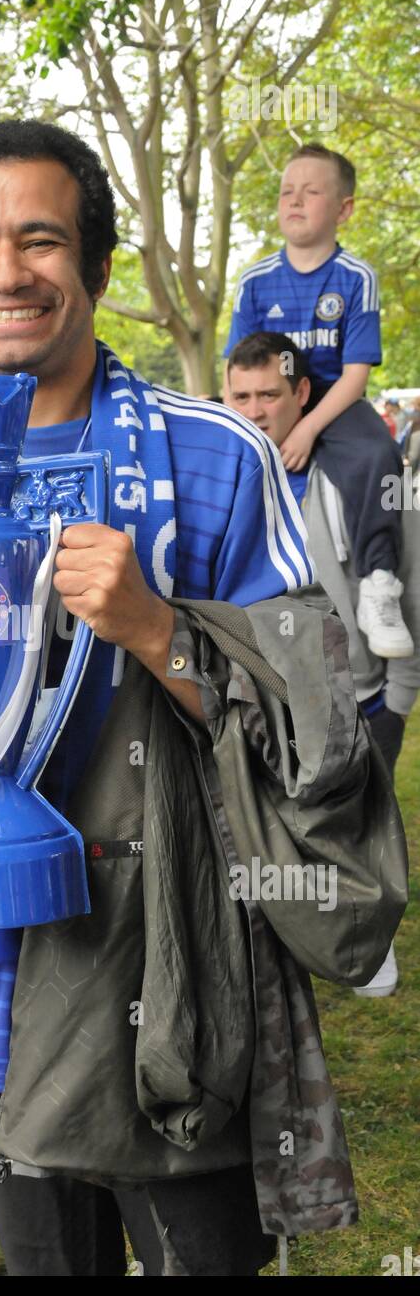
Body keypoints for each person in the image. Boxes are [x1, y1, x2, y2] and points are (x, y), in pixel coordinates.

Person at [0, 119, 332, 1277]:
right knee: (48, 1260)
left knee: (203, 1259)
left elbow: (311, 726)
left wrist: (152, 627)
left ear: (95, 265)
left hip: (173, 956)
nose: (6, 273)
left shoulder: (210, 458)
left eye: (39, 241)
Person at [224, 330, 420, 998]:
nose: (253, 410)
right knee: (270, 836)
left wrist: (396, 701)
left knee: (357, 828)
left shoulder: (357, 472)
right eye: (239, 395)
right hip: (262, 702)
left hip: (359, 699)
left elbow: (409, 587)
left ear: (301, 394)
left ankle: (365, 942)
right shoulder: (224, 483)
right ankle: (282, 948)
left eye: (268, 396)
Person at [224, 142, 412, 659]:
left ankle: (378, 581)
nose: (295, 201)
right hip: (277, 400)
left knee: (378, 456)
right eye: (287, 191)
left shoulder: (356, 278)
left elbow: (355, 378)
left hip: (334, 402)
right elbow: (239, 363)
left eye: (311, 192)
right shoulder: (255, 281)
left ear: (344, 209)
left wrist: (308, 428)